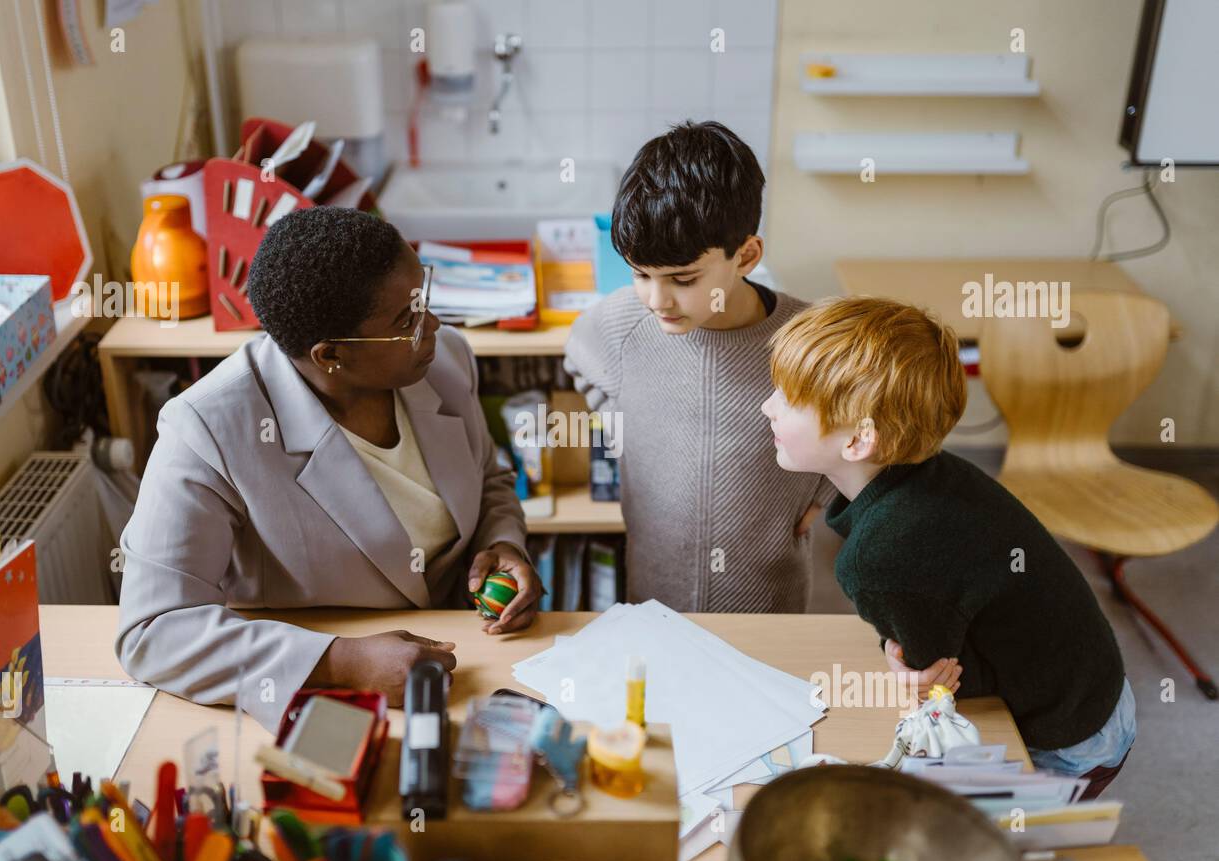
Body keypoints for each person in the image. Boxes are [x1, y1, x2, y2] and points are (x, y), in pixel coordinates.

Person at [117, 207, 543, 732]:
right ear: (331, 355)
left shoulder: (443, 359)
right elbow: (153, 630)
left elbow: (492, 478)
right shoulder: (207, 428)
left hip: (467, 658)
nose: (433, 325)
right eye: (406, 321)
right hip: (329, 697)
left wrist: (504, 544)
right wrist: (340, 663)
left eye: (424, 299)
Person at [762, 295, 1134, 798]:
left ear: (857, 443)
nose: (767, 405)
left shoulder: (878, 558)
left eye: (786, 397)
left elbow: (943, 684)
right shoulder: (936, 472)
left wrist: (910, 666)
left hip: (1070, 737)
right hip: (1099, 686)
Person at [564, 121, 833, 613]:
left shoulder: (810, 338)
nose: (656, 298)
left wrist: (829, 489)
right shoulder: (619, 325)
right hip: (652, 607)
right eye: (640, 274)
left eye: (682, 278)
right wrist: (624, 422)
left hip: (770, 609)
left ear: (746, 256)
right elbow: (580, 357)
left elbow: (871, 414)